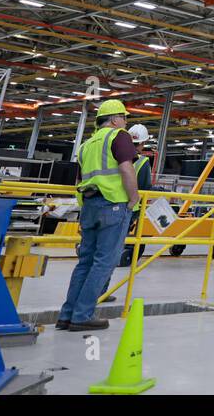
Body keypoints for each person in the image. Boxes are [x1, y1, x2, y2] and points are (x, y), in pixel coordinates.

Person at [57, 99, 140, 331]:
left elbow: (80, 179)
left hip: (90, 205)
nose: (125, 122)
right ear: (115, 119)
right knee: (105, 262)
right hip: (113, 203)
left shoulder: (86, 144)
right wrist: (133, 198)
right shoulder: (119, 136)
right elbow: (126, 168)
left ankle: (67, 314)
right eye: (124, 117)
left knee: (85, 262)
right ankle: (83, 316)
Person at [118, 124, 156, 268]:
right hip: (132, 206)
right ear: (142, 143)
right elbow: (144, 186)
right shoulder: (142, 161)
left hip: (114, 200)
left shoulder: (116, 155)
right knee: (135, 232)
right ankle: (127, 251)